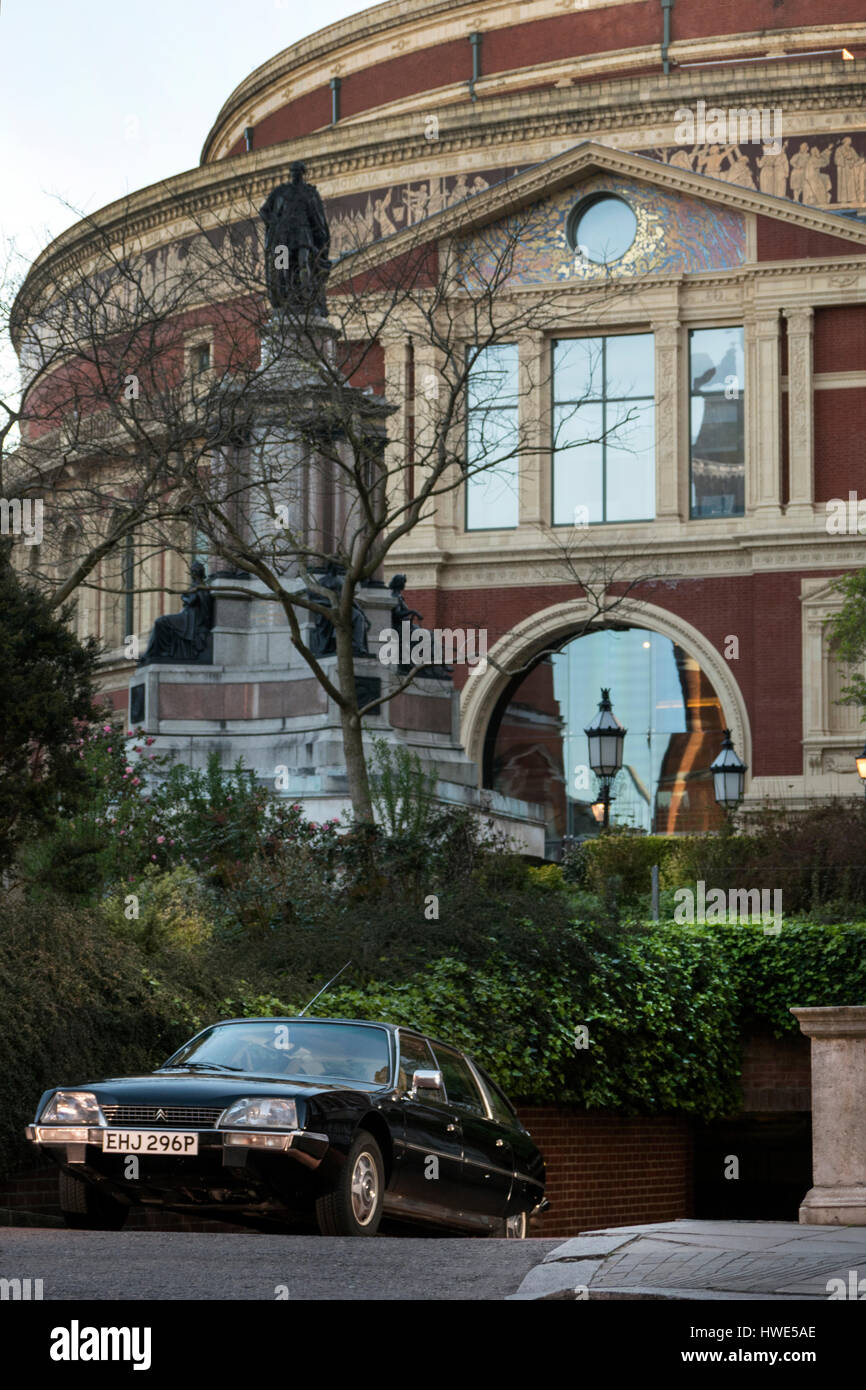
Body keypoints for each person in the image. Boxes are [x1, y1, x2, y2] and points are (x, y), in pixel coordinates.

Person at [138, 562, 213, 665]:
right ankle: (154, 653)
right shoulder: (196, 587)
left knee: (161, 622)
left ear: (195, 573)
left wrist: (184, 596)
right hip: (186, 616)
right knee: (161, 623)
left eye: (193, 572)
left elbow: (192, 601)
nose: (192, 575)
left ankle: (152, 653)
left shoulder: (201, 587)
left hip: (190, 620)